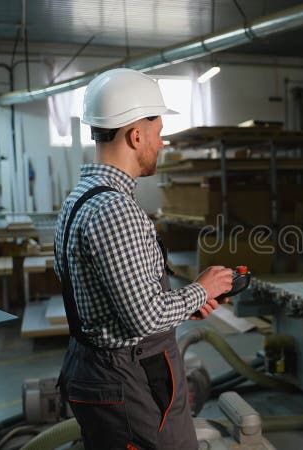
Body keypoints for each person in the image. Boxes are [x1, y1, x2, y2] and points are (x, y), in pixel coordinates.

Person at [54, 68, 233, 449]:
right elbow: (145, 317)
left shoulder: (78, 200)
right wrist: (202, 290)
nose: (162, 142)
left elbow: (120, 298)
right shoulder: (116, 210)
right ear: (136, 135)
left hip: (94, 367)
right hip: (128, 380)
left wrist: (187, 303)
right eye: (157, 131)